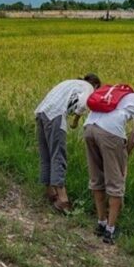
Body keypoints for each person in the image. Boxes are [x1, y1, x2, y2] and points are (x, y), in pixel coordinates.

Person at [83, 83, 134, 244]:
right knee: (116, 182)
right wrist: (126, 153)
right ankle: (110, 230)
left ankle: (101, 223)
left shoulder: (124, 96)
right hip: (110, 132)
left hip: (89, 128)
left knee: (97, 178)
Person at [35, 73, 102, 213]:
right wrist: (76, 120)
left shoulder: (70, 82)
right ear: (96, 85)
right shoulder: (89, 87)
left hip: (42, 113)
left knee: (46, 154)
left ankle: (50, 191)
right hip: (56, 116)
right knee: (58, 155)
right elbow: (84, 103)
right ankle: (62, 198)